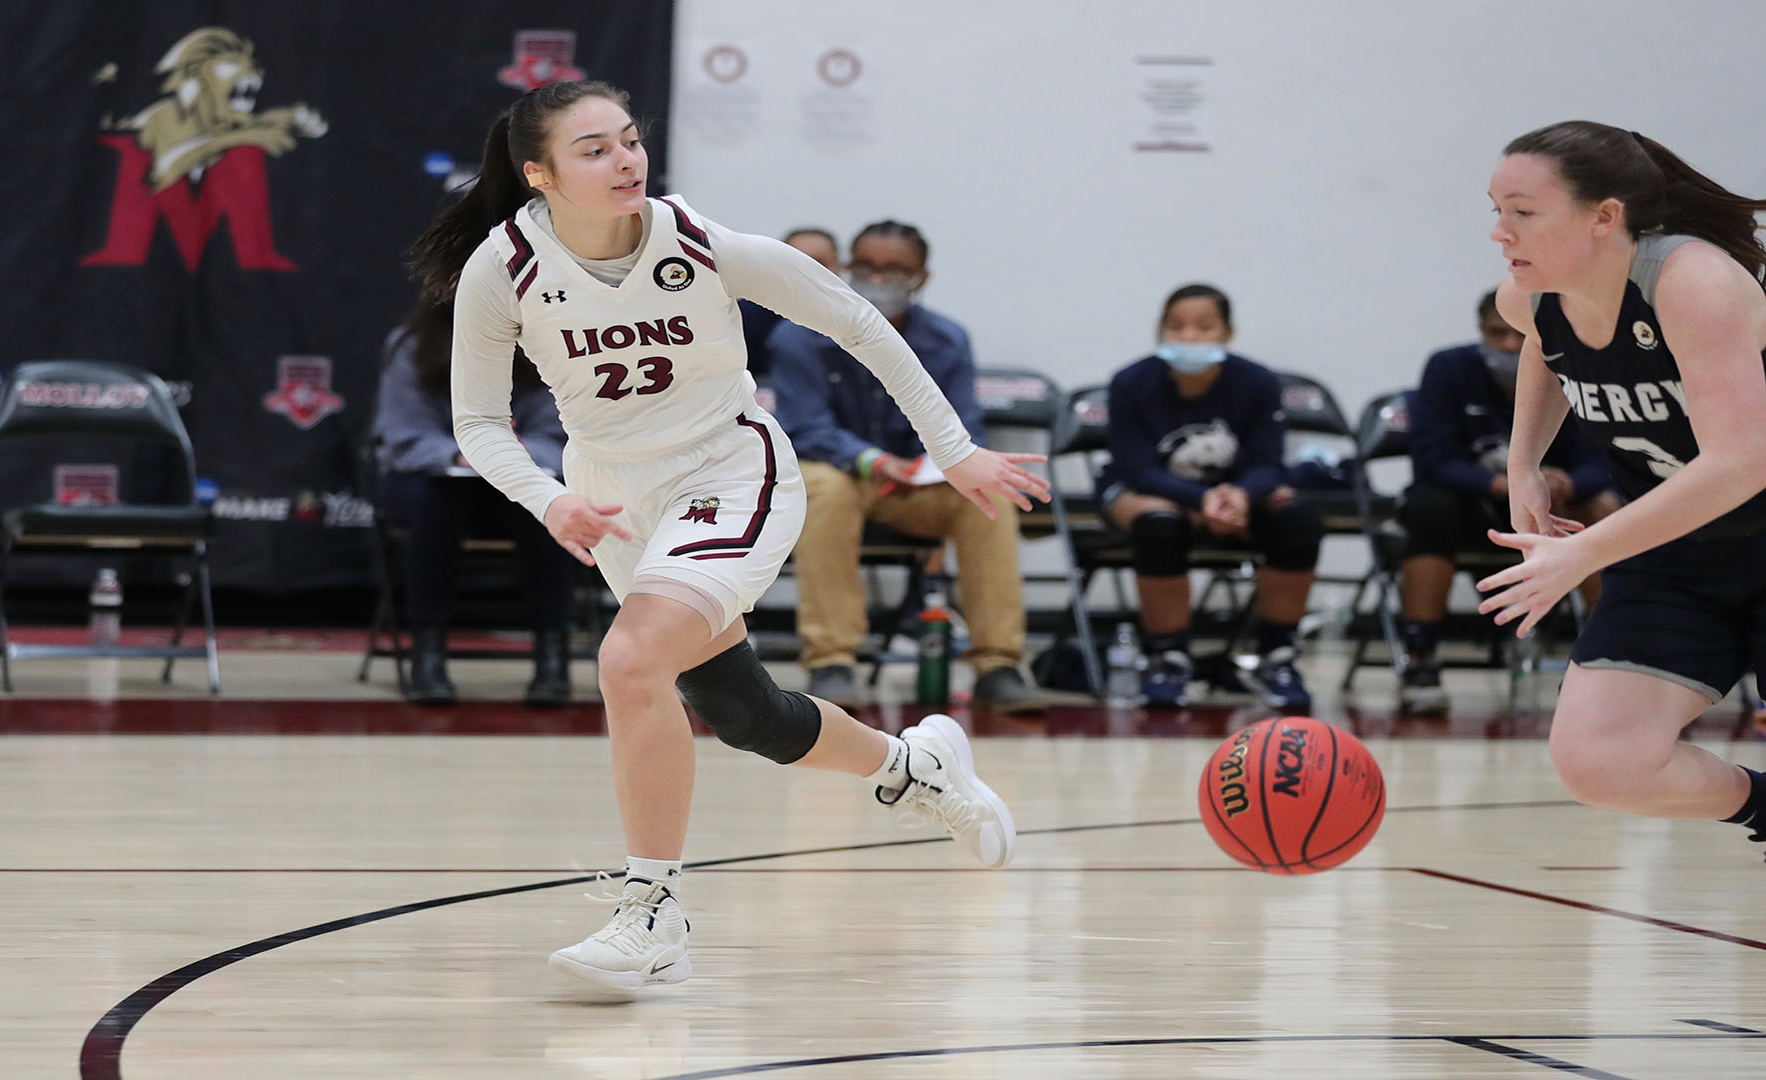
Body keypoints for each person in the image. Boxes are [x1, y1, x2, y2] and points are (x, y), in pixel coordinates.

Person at [411, 81, 1048, 990]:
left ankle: (653, 912)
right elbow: (477, 422)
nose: (626, 158)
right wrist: (548, 499)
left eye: (629, 140)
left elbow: (858, 321)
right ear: (539, 174)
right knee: (744, 713)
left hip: (728, 471)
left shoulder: (698, 243)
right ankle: (916, 768)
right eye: (595, 149)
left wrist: (952, 451)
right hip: (613, 499)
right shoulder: (502, 266)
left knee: (630, 663)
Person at [1476, 120, 1766, 857]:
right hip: (1677, 554)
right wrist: (1523, 465)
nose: (1500, 233)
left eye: (1523, 211)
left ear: (1605, 216)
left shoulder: (1692, 280)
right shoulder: (1530, 295)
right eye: (1496, 210)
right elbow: (1549, 344)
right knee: (1601, 762)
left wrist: (1584, 554)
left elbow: (1741, 461)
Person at [769, 220, 1046, 713]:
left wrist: (933, 465)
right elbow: (806, 427)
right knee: (824, 488)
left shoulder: (946, 339)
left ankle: (997, 664)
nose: (880, 279)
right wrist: (875, 462)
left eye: (896, 270)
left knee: (991, 496)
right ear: (848, 268)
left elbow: (965, 428)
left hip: (919, 483)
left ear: (921, 278)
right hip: (844, 475)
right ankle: (831, 659)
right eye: (868, 267)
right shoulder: (799, 336)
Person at [1100, 284, 1325, 709]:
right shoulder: (1131, 382)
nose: (1189, 336)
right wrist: (1200, 500)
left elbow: (1268, 462)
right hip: (1156, 493)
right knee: (1159, 525)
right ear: (1159, 330)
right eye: (1176, 326)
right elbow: (1137, 468)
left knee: (1297, 520)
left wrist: (1239, 495)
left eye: (1204, 326)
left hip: (1237, 496)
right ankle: (1168, 657)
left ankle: (1278, 656)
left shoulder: (1257, 381)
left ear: (1227, 332)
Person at [1398, 289, 1621, 714]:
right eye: (1496, 334)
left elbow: (1603, 458)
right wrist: (1505, 483)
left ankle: (1606, 656)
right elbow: (1433, 459)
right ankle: (1420, 656)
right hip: (1475, 502)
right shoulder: (1448, 368)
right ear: (1480, 332)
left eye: (1519, 334)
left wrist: (1568, 483)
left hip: (1554, 509)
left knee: (1605, 506)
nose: (1508, 345)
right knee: (1428, 506)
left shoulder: (1574, 363)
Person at [374, 295, 578, 706]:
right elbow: (403, 433)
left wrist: (514, 455)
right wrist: (458, 454)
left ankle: (552, 657)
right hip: (436, 475)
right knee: (439, 499)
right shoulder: (412, 345)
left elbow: (561, 433)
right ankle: (427, 655)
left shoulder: (549, 344)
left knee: (548, 505)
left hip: (522, 472)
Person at [740, 227, 839, 378]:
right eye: (796, 261)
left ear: (837, 268)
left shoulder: (851, 318)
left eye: (818, 264)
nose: (806, 271)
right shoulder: (744, 316)